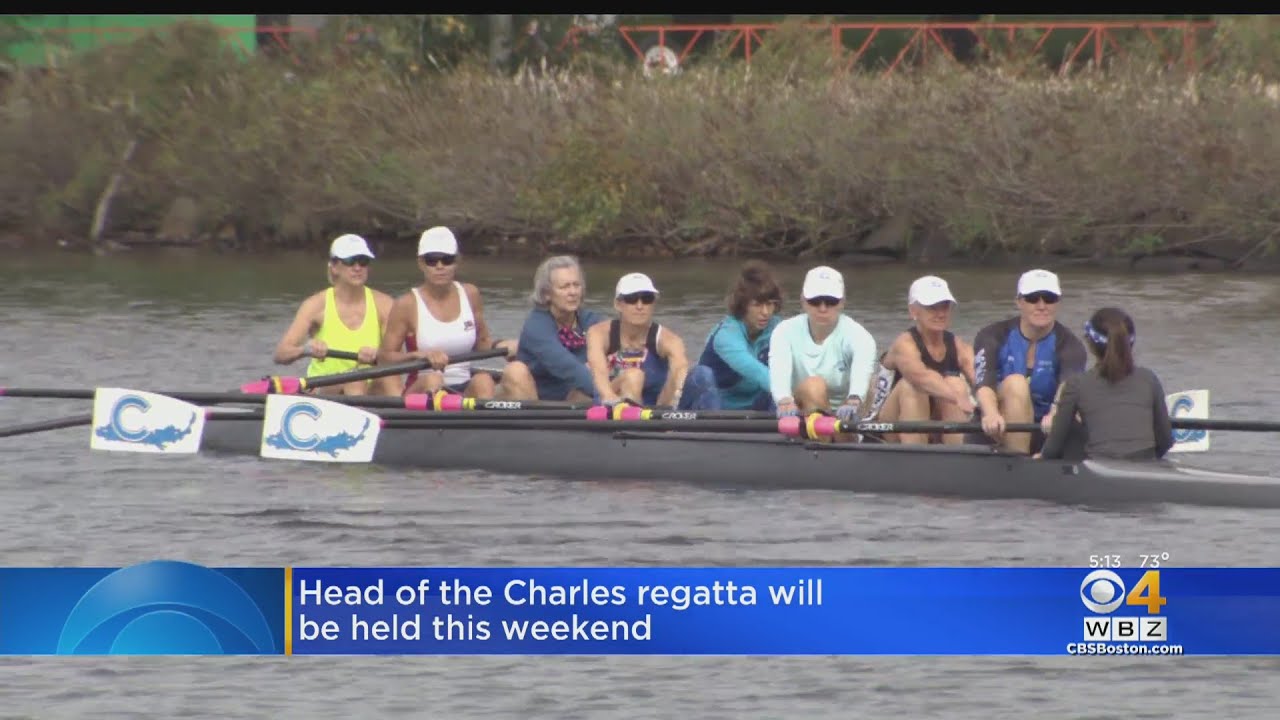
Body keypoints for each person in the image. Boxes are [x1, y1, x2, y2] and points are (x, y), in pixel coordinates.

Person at [377, 226, 536, 400]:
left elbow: (482, 342)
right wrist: (417, 356)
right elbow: (385, 358)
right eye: (432, 260)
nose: (440, 266)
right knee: (433, 378)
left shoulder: (470, 294)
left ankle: (483, 424)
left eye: (447, 260)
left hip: (463, 386)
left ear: (457, 261)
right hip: (422, 386)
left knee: (483, 380)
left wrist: (502, 346)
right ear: (421, 263)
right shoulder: (406, 304)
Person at [972, 269, 1087, 454]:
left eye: (1049, 298)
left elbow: (1068, 386)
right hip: (995, 425)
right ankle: (1019, 464)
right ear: (1019, 302)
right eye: (1033, 298)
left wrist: (1055, 412)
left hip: (1046, 428)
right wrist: (991, 413)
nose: (1042, 306)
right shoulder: (992, 335)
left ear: (1058, 303)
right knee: (1016, 383)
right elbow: (984, 383)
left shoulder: (1070, 344)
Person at [1038, 307, 1174, 461]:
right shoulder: (1149, 379)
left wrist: (1040, 457)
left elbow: (1053, 448)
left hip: (1098, 474)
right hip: (1146, 470)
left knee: (1071, 429)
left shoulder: (1076, 384)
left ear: (1091, 345)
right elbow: (1166, 440)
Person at [272, 233, 398, 396]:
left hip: (369, 386)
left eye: (363, 261)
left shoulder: (384, 304)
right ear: (334, 267)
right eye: (350, 261)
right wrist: (306, 349)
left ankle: (407, 420)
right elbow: (281, 353)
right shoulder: (315, 305)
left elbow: (396, 355)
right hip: (326, 388)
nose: (357, 267)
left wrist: (379, 355)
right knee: (355, 382)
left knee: (389, 379)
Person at [862, 275, 977, 445]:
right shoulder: (904, 344)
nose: (940, 313)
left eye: (944, 306)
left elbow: (983, 379)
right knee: (913, 387)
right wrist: (957, 398)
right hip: (885, 428)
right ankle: (916, 457)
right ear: (913, 311)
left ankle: (960, 456)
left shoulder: (958, 346)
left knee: (956, 383)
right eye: (932, 307)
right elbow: (920, 377)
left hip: (933, 423)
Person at [769, 266, 878, 428]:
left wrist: (854, 399)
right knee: (814, 386)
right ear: (803, 300)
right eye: (815, 301)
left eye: (831, 301)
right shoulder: (784, 331)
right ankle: (826, 443)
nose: (822, 308)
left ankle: (846, 439)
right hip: (801, 408)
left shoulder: (860, 337)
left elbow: (862, 371)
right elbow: (779, 371)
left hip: (849, 409)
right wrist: (784, 399)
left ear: (842, 302)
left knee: (871, 383)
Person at [585, 272, 709, 409]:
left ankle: (711, 425)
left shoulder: (669, 340)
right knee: (633, 376)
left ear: (653, 304)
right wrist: (607, 395)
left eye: (647, 299)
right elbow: (599, 370)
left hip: (653, 410)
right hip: (609, 402)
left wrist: (676, 393)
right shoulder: (598, 334)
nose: (640, 306)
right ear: (618, 304)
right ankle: (632, 425)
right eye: (631, 299)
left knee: (703, 374)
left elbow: (680, 367)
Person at [690, 260, 784, 411]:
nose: (766, 312)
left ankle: (785, 430)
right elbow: (757, 371)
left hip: (754, 405)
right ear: (743, 305)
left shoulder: (779, 328)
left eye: (770, 304)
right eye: (757, 305)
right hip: (714, 406)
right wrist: (790, 394)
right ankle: (713, 431)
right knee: (702, 374)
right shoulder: (727, 335)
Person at [514, 255, 606, 402]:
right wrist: (608, 395)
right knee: (515, 371)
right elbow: (566, 367)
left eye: (576, 285)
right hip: (538, 399)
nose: (573, 292)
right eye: (565, 287)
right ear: (546, 294)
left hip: (574, 395)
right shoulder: (536, 326)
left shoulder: (590, 320)